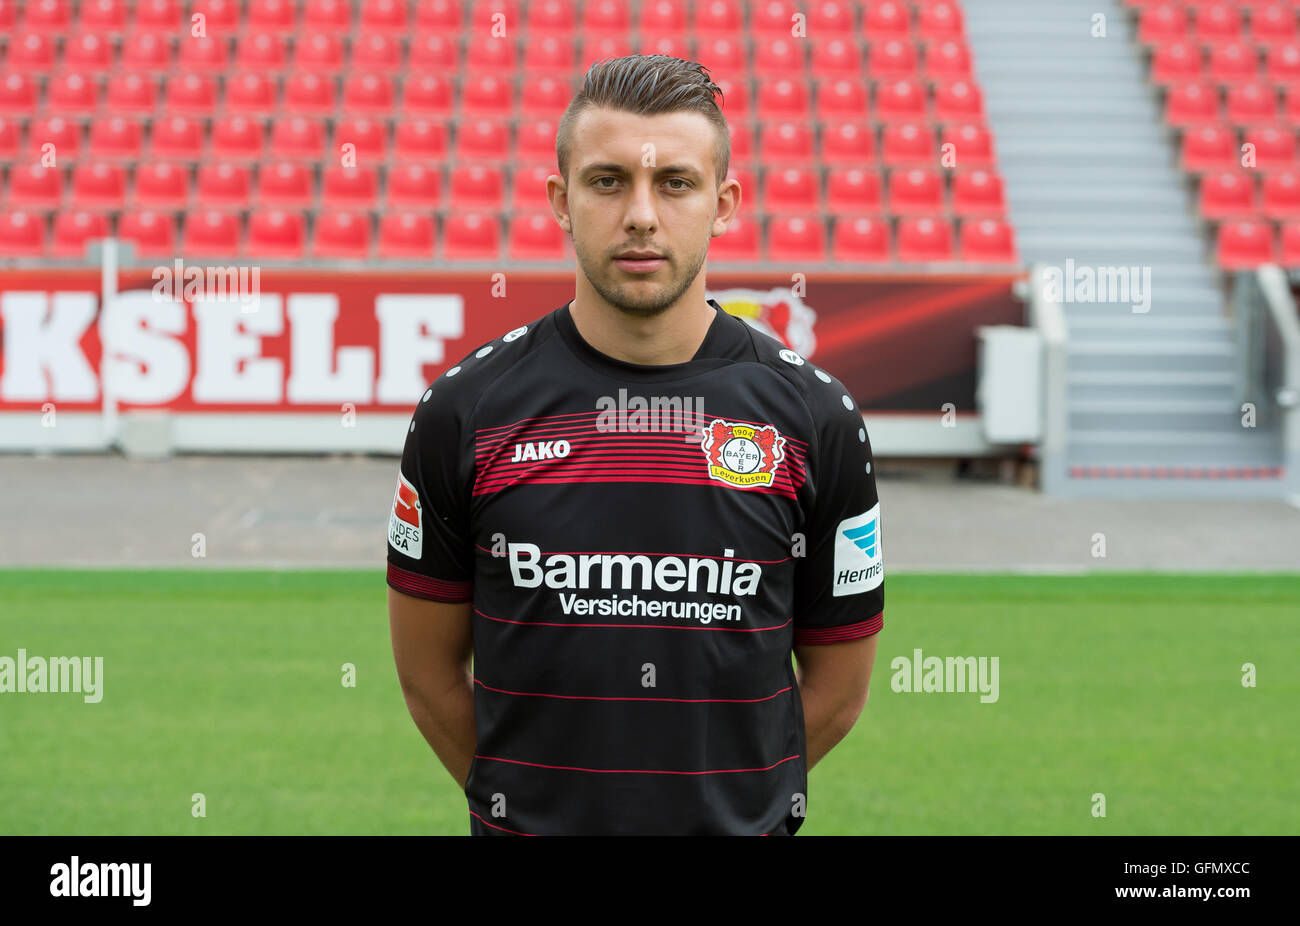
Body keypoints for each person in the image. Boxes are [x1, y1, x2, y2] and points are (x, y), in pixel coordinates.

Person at [387, 55, 883, 835]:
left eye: (675, 183)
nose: (642, 215)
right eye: (608, 181)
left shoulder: (816, 418)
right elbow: (426, 676)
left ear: (722, 205)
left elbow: (839, 688)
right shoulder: (464, 411)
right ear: (562, 199)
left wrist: (730, 813)